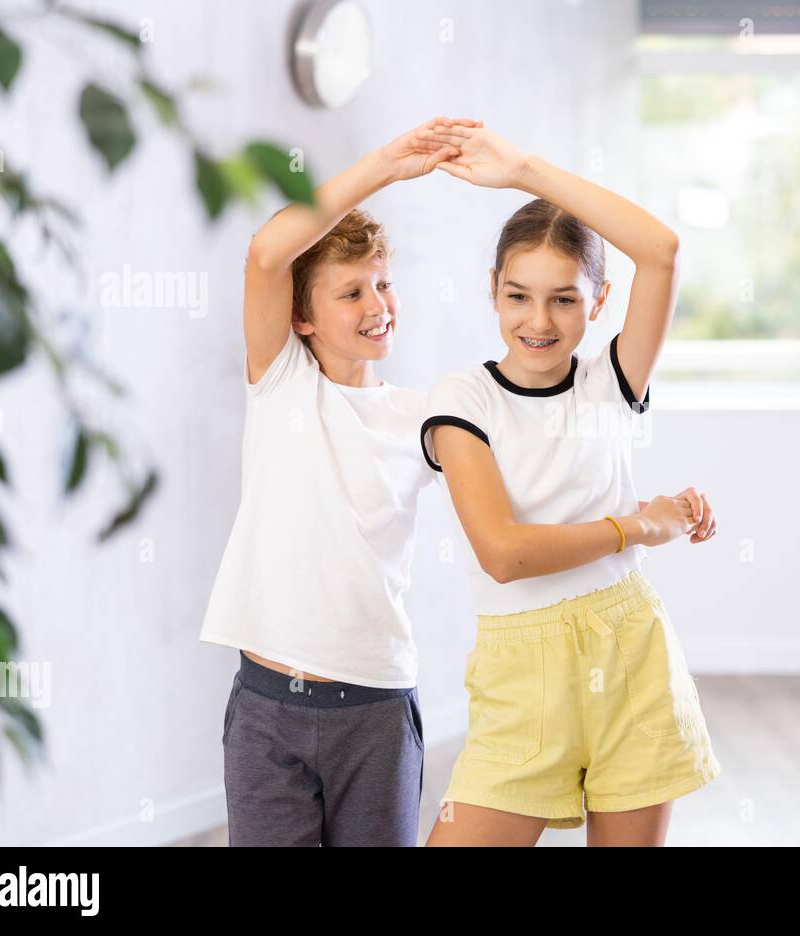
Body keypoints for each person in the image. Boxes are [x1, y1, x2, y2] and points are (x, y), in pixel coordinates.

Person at [416, 124, 720, 846]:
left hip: (631, 655)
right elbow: (504, 552)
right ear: (492, 290)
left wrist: (525, 169)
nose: (538, 321)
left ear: (600, 299)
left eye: (564, 300)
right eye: (518, 295)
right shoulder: (462, 403)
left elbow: (662, 250)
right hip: (522, 676)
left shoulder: (609, 382)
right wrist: (638, 527)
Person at [199, 117, 478, 846]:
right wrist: (387, 162)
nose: (378, 305)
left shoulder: (421, 417)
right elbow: (266, 255)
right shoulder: (282, 383)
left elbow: (514, 489)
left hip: (376, 710)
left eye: (384, 284)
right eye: (350, 293)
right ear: (302, 317)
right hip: (267, 710)